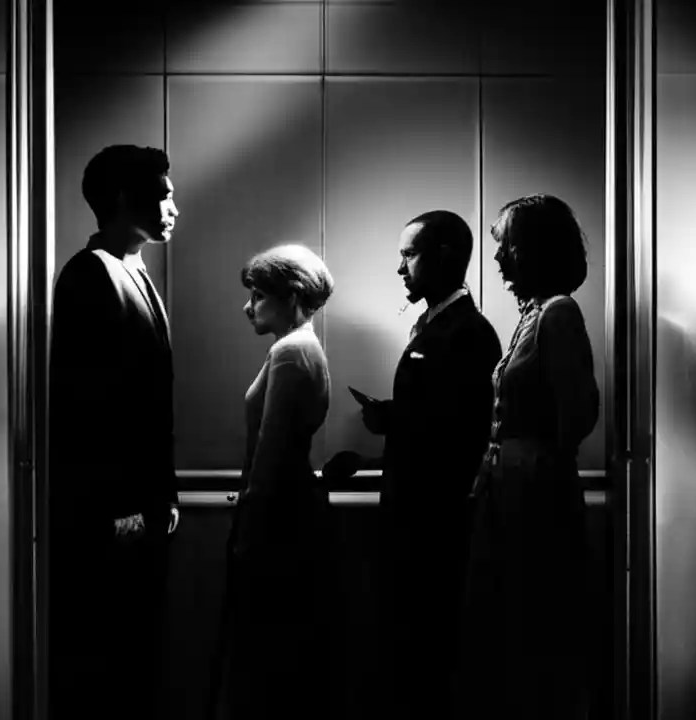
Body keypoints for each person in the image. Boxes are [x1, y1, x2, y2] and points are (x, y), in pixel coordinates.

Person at [47, 144, 182, 718]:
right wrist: (124, 509)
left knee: (137, 650)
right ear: (126, 199)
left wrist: (163, 493)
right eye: (164, 192)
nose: (174, 203)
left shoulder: (132, 271)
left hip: (140, 509)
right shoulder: (89, 274)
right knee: (111, 658)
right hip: (113, 516)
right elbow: (87, 407)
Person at [457, 194, 600, 720]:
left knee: (531, 625)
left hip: (533, 497)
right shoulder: (534, 313)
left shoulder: (558, 314)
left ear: (533, 249)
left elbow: (577, 414)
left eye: (506, 246)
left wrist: (530, 465)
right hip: (510, 491)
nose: (496, 260)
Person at [356, 210, 501, 719]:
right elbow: (436, 410)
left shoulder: (469, 334)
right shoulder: (438, 325)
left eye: (408, 255)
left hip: (433, 525)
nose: (400, 269)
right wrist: (388, 422)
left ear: (442, 256)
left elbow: (459, 431)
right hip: (416, 519)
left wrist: (394, 423)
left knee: (427, 652)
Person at [211, 244, 338, 719]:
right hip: (294, 505)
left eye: (259, 295)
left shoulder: (289, 352)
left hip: (279, 515)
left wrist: (247, 528)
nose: (249, 306)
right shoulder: (305, 347)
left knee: (268, 648)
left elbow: (270, 452)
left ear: (292, 295)